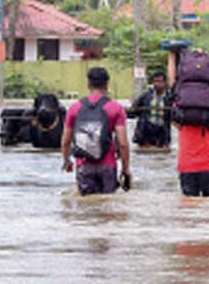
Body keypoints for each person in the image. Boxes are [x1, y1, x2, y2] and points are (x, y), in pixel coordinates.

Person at [60, 67, 131, 195]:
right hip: (108, 165)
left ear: (88, 85)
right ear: (107, 85)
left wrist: (66, 161)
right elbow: (122, 144)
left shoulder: (74, 108)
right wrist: (125, 168)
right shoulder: (116, 108)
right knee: (108, 208)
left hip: (84, 165)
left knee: (86, 208)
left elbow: (66, 141)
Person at [168, 48, 209, 197]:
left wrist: (172, 55)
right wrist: (207, 58)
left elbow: (172, 85)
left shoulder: (179, 105)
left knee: (188, 213)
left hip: (187, 165)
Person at [131, 71, 172, 148]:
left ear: (165, 83)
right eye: (155, 81)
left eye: (159, 81)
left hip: (162, 131)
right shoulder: (145, 96)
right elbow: (134, 110)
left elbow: (173, 116)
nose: (157, 84)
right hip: (146, 130)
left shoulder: (169, 98)